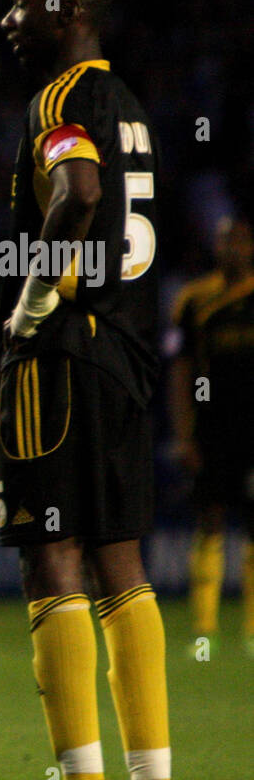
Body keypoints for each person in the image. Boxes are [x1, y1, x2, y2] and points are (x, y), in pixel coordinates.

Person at [0, 0, 182, 780]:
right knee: (119, 558)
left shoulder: (64, 98)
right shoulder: (133, 107)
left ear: (67, 11)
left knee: (50, 555)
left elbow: (78, 193)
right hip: (128, 355)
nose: (8, 19)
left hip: (64, 351)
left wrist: (32, 302)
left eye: (23, 4)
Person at [169, 213, 254, 657]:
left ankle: (253, 633)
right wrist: (185, 435)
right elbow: (181, 372)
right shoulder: (193, 301)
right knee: (211, 523)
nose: (231, 249)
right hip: (213, 432)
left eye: (238, 240)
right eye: (224, 241)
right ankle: (205, 630)